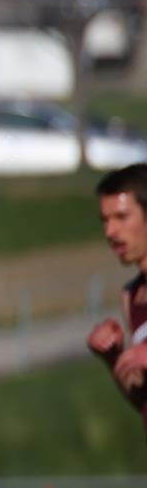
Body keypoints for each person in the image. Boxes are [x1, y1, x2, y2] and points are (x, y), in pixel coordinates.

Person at [88, 164, 147, 429]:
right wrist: (114, 358)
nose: (110, 232)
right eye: (105, 220)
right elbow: (142, 401)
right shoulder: (131, 296)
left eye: (122, 217)